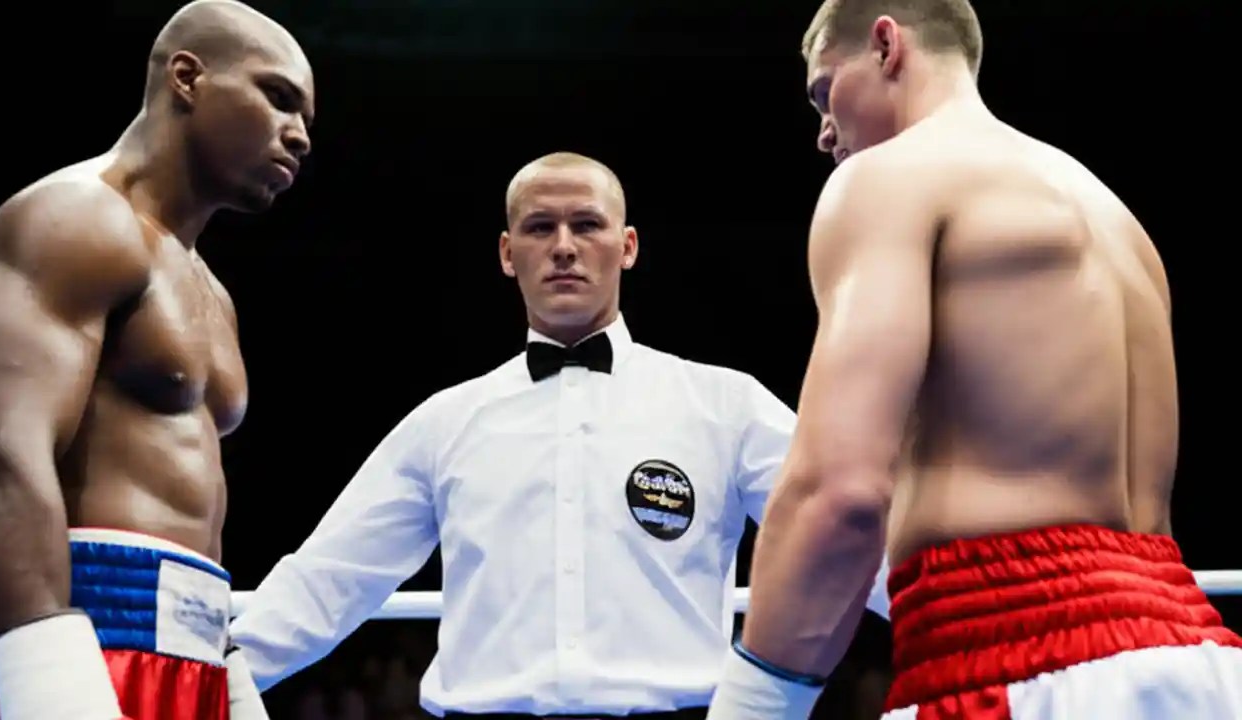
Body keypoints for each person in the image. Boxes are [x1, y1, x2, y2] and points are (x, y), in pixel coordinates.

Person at [705, 1, 1242, 718]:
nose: (824, 133)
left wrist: (754, 701)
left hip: (1017, 661)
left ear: (886, 44)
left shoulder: (889, 180)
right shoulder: (1118, 220)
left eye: (823, 93)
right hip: (1196, 658)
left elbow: (841, 492)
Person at [227, 151, 891, 718]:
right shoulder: (446, 423)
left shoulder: (723, 404)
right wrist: (205, 679)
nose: (565, 246)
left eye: (587, 225)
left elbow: (843, 526)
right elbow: (331, 576)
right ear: (507, 253)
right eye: (540, 227)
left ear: (627, 246)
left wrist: (971, 631)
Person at [0, 1, 314, 718]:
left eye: (306, 117)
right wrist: (44, 678)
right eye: (277, 97)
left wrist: (227, 674)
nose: (300, 136)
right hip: (75, 649)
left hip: (189, 663)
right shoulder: (75, 219)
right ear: (187, 78)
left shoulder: (210, 293)